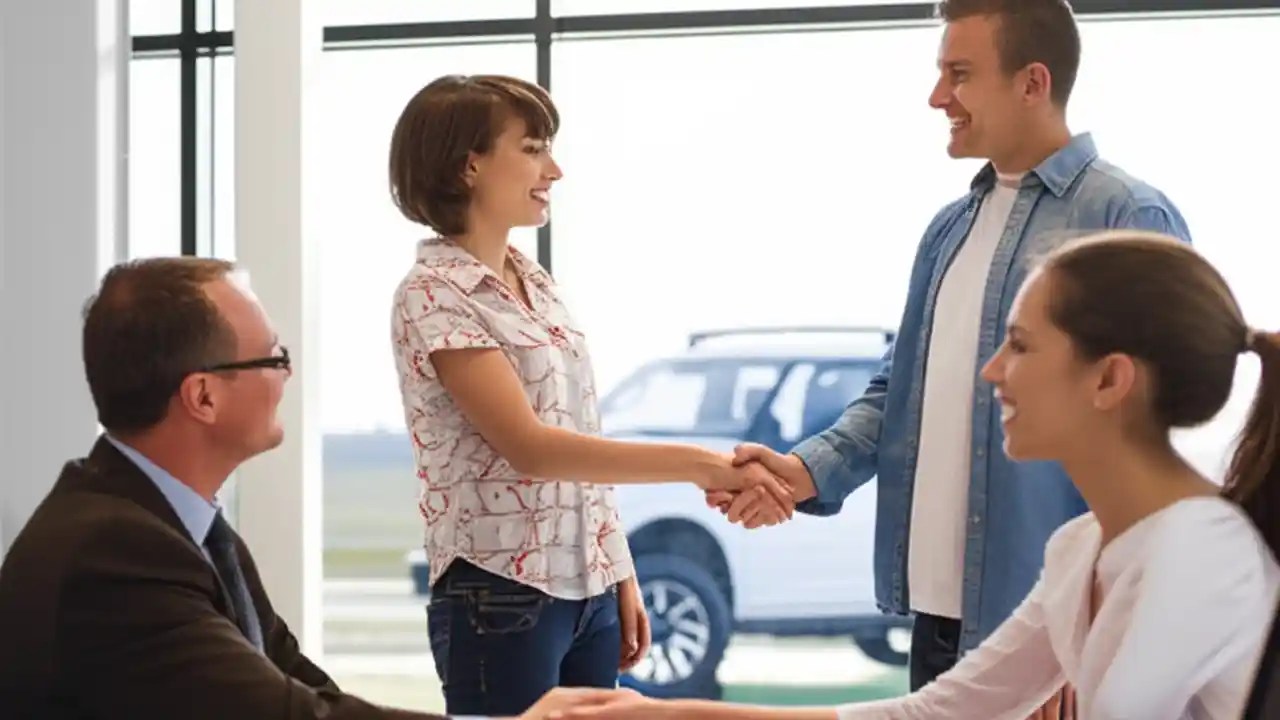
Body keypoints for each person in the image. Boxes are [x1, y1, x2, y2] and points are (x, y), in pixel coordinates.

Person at [552, 231, 1280, 719]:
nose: (993, 371)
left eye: (1020, 346)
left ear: (1109, 379)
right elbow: (940, 711)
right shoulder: (1082, 548)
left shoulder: (1198, 551)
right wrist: (653, 711)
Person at [710, 0, 1193, 695]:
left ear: (1032, 82)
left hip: (1052, 627)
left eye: (959, 74)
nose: (938, 97)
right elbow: (898, 393)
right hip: (940, 618)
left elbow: (1151, 442)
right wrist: (798, 471)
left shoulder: (1125, 216)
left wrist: (1087, 629)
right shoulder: (949, 230)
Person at [0, 257, 626, 720]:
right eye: (273, 359)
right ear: (203, 396)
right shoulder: (115, 555)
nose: (288, 374)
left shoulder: (183, 529)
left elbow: (308, 692)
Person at [386, 74, 791, 718]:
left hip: (589, 592)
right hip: (501, 594)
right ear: (470, 165)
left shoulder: (533, 281)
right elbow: (533, 448)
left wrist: (616, 567)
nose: (555, 169)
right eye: (533, 148)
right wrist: (701, 466)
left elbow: (579, 428)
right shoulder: (432, 292)